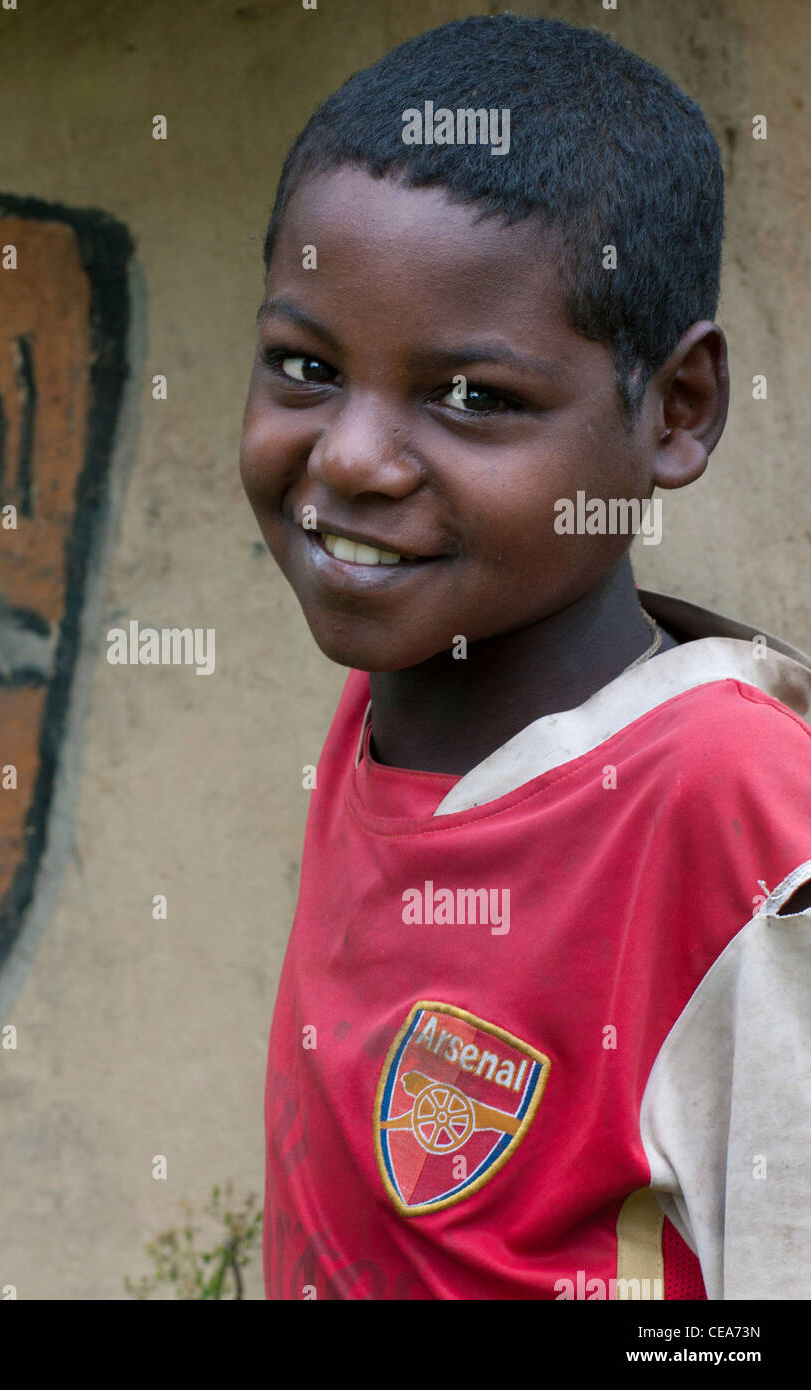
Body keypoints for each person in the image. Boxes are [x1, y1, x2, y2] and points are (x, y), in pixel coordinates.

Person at [241, 13, 811, 1300]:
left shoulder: (739, 821)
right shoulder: (390, 707)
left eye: (474, 399)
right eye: (304, 367)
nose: (351, 459)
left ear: (676, 410)